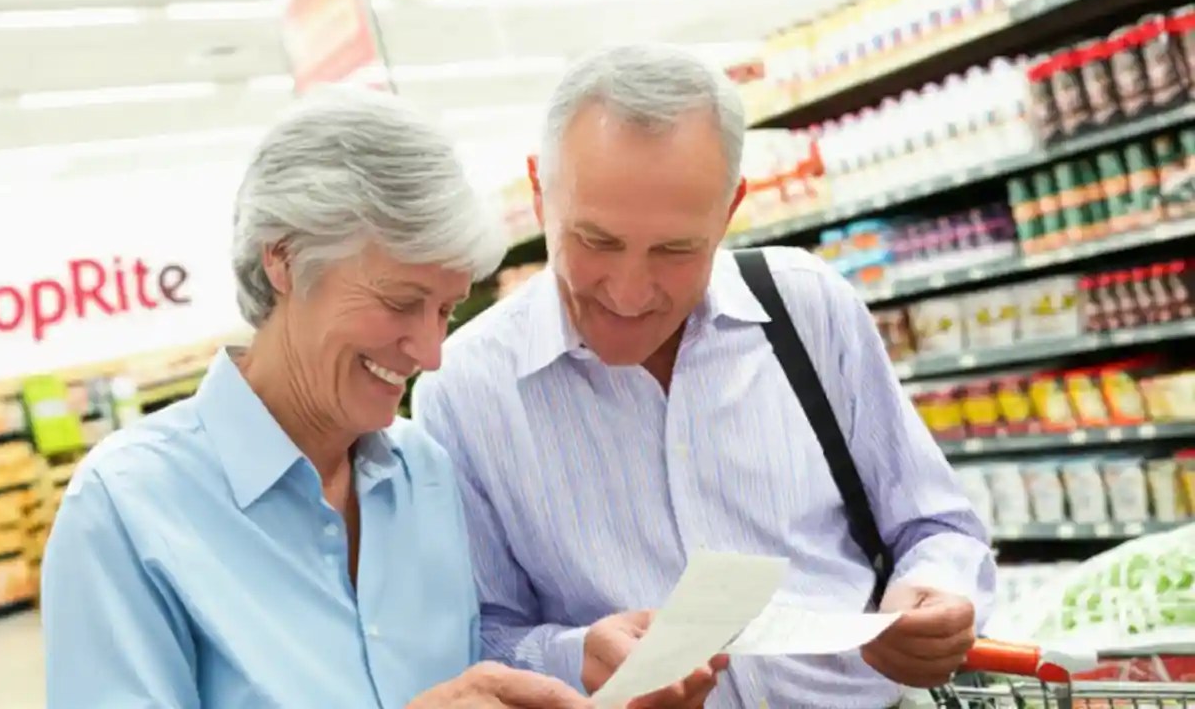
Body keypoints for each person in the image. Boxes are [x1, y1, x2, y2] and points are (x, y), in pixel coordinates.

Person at [412, 44, 997, 708]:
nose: (630, 293)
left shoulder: (807, 308)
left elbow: (935, 527)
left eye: (675, 250)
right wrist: (574, 656)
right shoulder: (461, 388)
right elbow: (478, 635)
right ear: (540, 193)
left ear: (729, 212)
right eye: (596, 241)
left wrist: (938, 593)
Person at [40, 85, 601, 709]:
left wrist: (575, 667)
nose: (430, 352)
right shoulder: (127, 509)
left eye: (445, 310)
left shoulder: (426, 474)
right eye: (399, 302)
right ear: (284, 259)